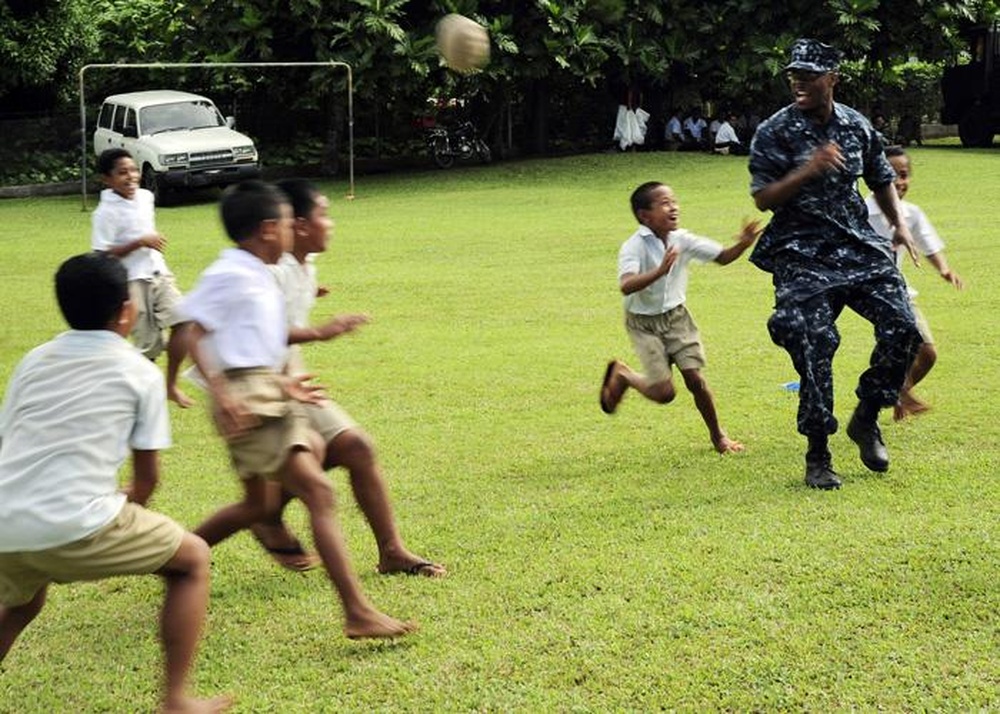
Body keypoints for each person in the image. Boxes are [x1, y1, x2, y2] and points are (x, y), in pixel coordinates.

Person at [179, 180, 415, 639]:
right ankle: (357, 612)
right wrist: (222, 392)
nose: (294, 232)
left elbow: (260, 340)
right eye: (290, 223)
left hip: (268, 386)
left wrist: (288, 377)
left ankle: (176, 556)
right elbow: (191, 329)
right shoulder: (231, 272)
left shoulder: (260, 274)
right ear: (270, 229)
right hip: (246, 395)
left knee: (259, 504)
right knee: (317, 492)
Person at [0, 252, 231, 714]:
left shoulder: (33, 361)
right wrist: (120, 501)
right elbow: (146, 481)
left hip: (6, 522)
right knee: (192, 559)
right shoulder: (139, 372)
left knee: (24, 601)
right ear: (128, 311)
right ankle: (176, 700)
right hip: (74, 523)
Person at [245, 177, 446, 578]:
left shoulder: (302, 265)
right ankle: (206, 546)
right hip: (258, 384)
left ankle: (391, 552)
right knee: (318, 464)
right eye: (324, 214)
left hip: (291, 376)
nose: (331, 223)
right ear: (299, 225)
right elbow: (252, 333)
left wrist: (308, 293)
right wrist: (322, 330)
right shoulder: (272, 272)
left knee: (355, 447)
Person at [748, 38, 923, 490]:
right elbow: (763, 197)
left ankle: (866, 416)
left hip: (854, 245)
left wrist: (899, 225)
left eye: (809, 76)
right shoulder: (774, 131)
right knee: (813, 341)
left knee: (904, 326)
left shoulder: (855, 125)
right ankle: (818, 454)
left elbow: (880, 178)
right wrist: (808, 169)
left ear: (833, 78)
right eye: (795, 76)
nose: (799, 83)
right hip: (800, 251)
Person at [600, 181, 762, 454]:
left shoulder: (682, 239)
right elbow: (626, 285)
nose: (674, 207)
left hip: (677, 318)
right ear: (645, 215)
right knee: (664, 394)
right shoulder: (633, 246)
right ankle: (624, 375)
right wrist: (660, 271)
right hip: (643, 324)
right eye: (664, 203)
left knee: (695, 380)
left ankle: (719, 438)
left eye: (674, 201)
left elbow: (722, 257)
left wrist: (743, 244)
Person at [865, 146, 964, 420]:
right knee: (896, 345)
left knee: (928, 354)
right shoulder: (860, 212)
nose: (899, 181)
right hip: (864, 292)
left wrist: (944, 269)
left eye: (904, 174)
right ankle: (892, 394)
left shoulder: (911, 213)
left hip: (897, 291)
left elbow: (928, 243)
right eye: (890, 174)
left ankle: (899, 391)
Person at [91, 148, 194, 408]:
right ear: (107, 179)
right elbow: (101, 254)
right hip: (131, 281)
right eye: (122, 173)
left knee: (185, 321)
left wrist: (149, 241)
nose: (131, 176)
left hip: (159, 272)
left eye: (134, 170)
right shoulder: (104, 213)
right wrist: (140, 242)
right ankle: (132, 396)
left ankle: (170, 385)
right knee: (149, 347)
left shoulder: (146, 197)